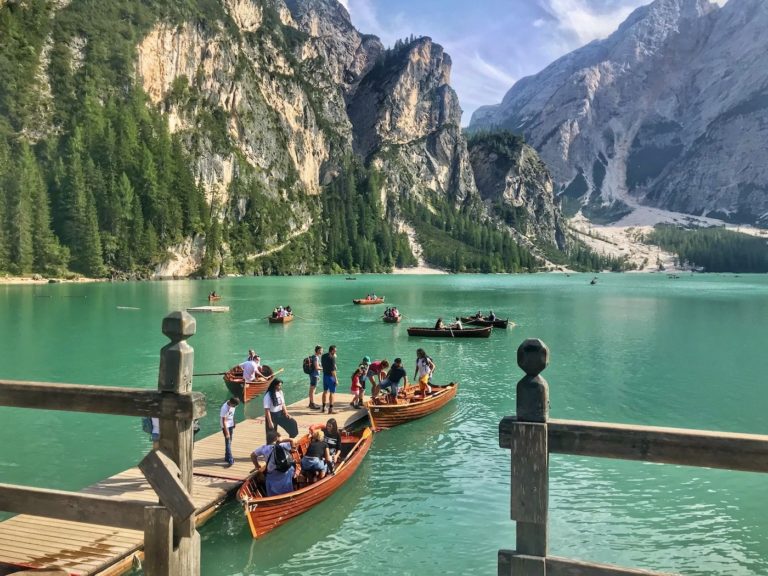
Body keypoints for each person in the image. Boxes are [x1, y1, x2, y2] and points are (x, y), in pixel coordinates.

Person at [251, 430, 297, 496]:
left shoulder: (263, 448)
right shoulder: (282, 445)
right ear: (276, 438)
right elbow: (294, 440)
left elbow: (252, 455)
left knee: (267, 477)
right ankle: (288, 494)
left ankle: (272, 497)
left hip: (272, 474)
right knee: (291, 467)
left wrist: (257, 465)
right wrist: (282, 440)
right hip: (284, 471)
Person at [220, 397, 240, 467]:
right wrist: (226, 431)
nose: (234, 407)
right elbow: (223, 420)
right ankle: (230, 459)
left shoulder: (233, 405)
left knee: (229, 441)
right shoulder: (224, 408)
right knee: (228, 441)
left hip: (230, 424)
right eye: (234, 405)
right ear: (231, 403)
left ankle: (226, 457)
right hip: (225, 426)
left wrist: (234, 422)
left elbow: (232, 414)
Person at [320, 345, 338, 414]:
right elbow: (333, 370)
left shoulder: (323, 356)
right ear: (332, 351)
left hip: (325, 376)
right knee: (332, 393)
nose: (336, 352)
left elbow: (324, 365)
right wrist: (336, 379)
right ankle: (331, 409)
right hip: (331, 377)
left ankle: (323, 407)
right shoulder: (332, 358)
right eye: (335, 351)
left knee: (325, 391)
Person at [308, 345, 322, 410]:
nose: (322, 351)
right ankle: (312, 404)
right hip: (314, 375)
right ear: (318, 351)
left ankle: (311, 403)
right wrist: (324, 368)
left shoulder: (314, 357)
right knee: (313, 390)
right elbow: (317, 367)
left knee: (311, 389)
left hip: (313, 375)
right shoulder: (316, 358)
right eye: (321, 350)